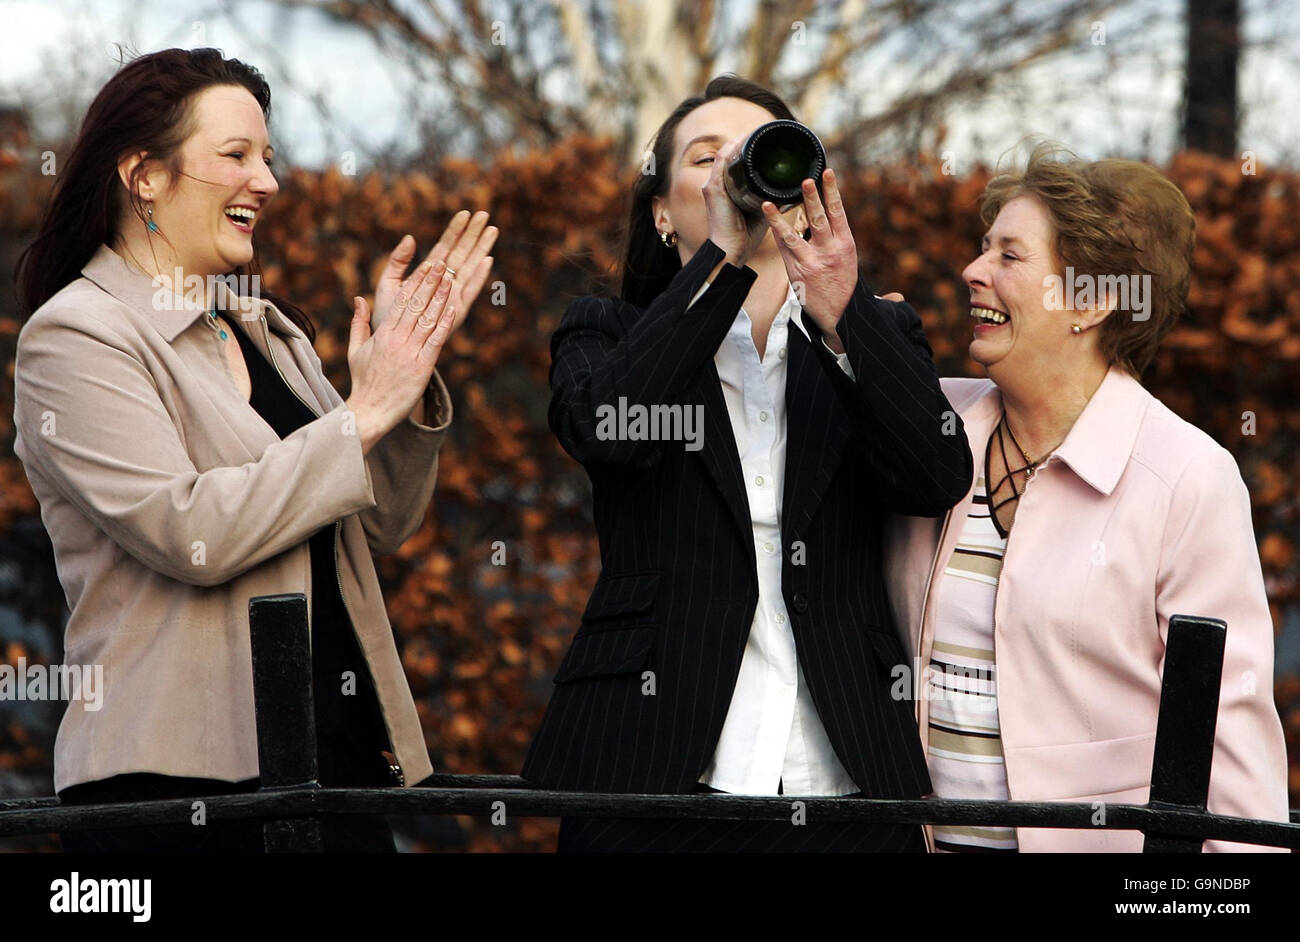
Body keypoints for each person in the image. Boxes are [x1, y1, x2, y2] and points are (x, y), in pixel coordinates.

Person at [12, 48, 497, 852]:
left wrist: (400, 393)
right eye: (234, 156)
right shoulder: (75, 337)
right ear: (144, 176)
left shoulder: (271, 333)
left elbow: (372, 529)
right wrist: (362, 414)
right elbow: (189, 532)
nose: (267, 182)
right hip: (179, 793)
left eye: (267, 158)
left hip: (332, 768)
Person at [521, 75, 972, 852]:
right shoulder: (605, 330)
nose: (737, 173)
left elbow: (934, 474)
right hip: (650, 769)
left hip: (842, 773)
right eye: (708, 158)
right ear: (662, 211)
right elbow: (608, 429)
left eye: (757, 152)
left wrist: (844, 313)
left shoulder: (874, 329)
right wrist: (722, 260)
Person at [884, 141, 1291, 852]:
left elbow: (1228, 733)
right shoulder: (928, 427)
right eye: (984, 248)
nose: (972, 271)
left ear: (1093, 300)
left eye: (1009, 256)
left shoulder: (1187, 476)